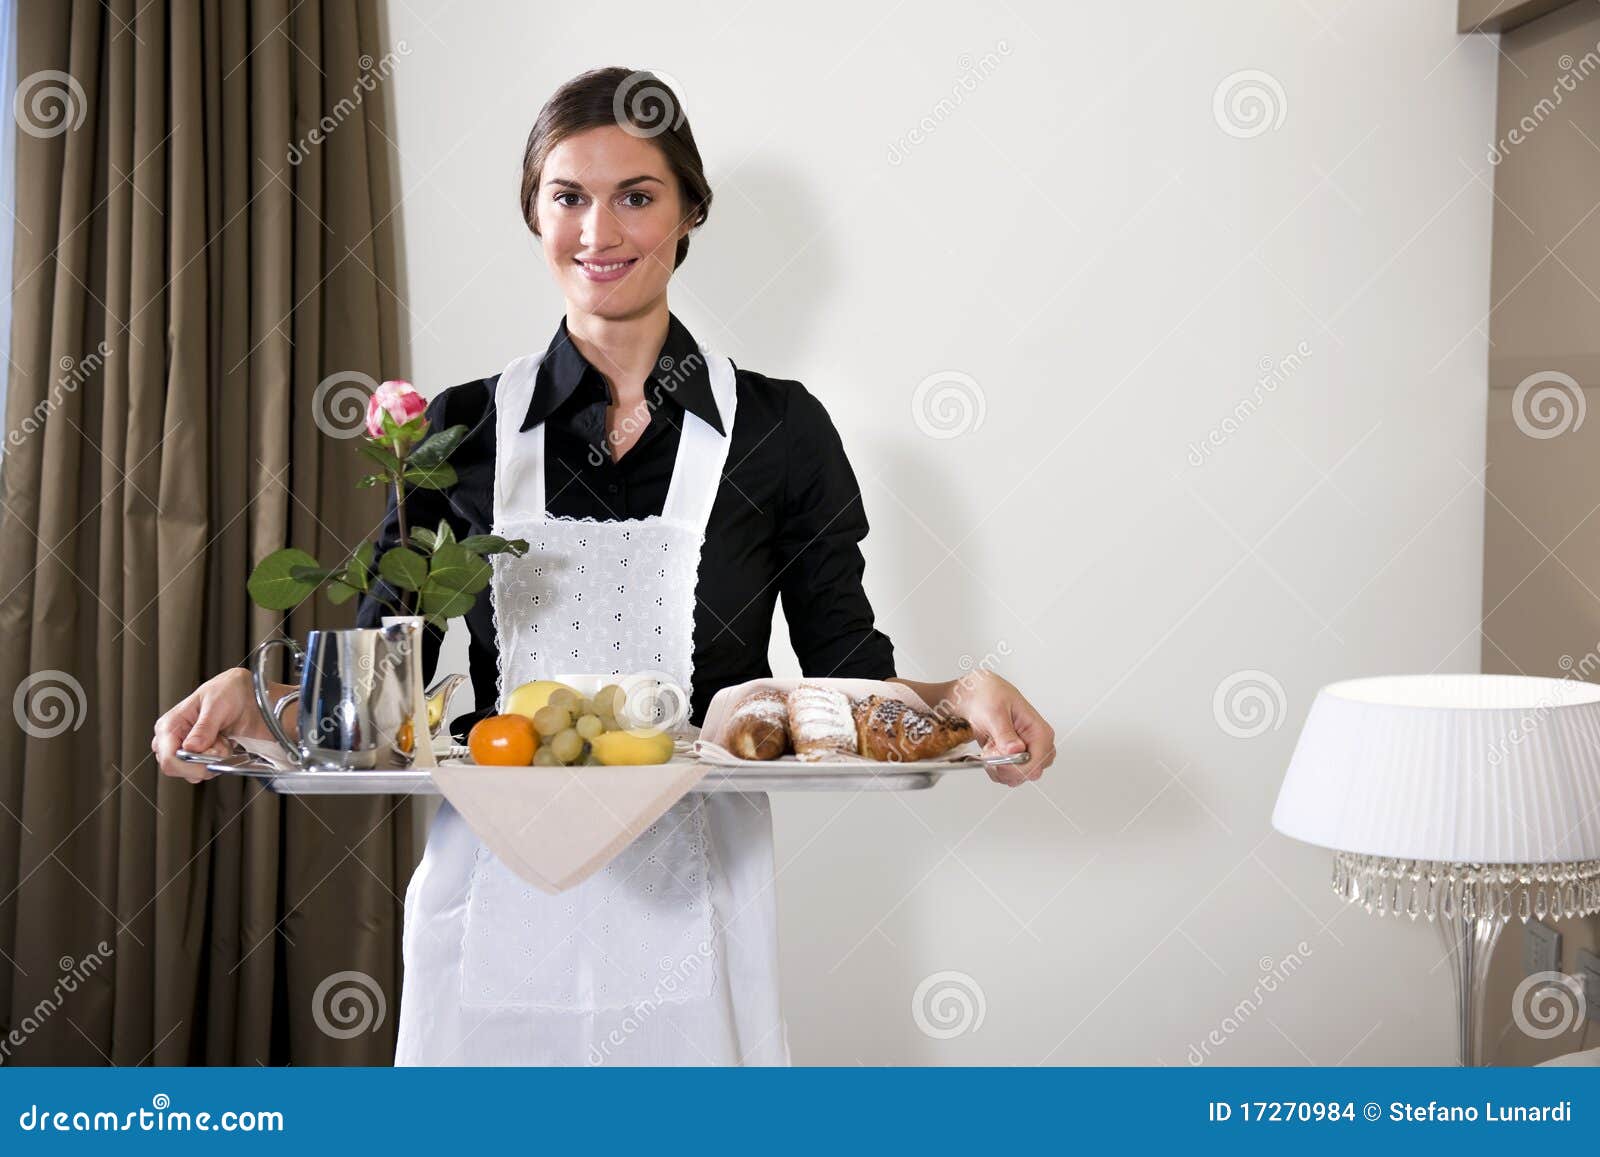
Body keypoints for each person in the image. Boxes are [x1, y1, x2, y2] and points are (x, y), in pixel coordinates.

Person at [152, 67, 1056, 1065]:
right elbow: (377, 675)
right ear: (533, 213)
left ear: (689, 212)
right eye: (568, 197)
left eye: (637, 194)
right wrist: (261, 695)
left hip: (699, 895)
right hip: (490, 885)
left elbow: (847, 675)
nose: (599, 230)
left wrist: (965, 694)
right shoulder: (457, 427)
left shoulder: (780, 430)